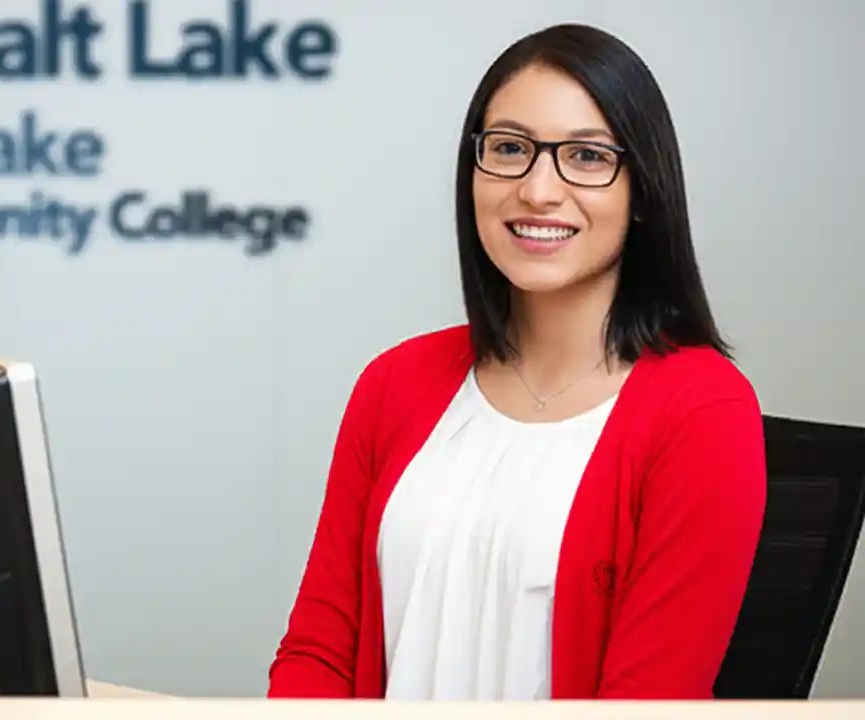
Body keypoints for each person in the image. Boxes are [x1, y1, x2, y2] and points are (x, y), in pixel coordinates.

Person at [266, 23, 766, 701]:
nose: (537, 190)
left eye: (586, 157)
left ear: (642, 190)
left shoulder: (704, 412)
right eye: (509, 148)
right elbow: (318, 654)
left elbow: (646, 702)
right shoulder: (394, 382)